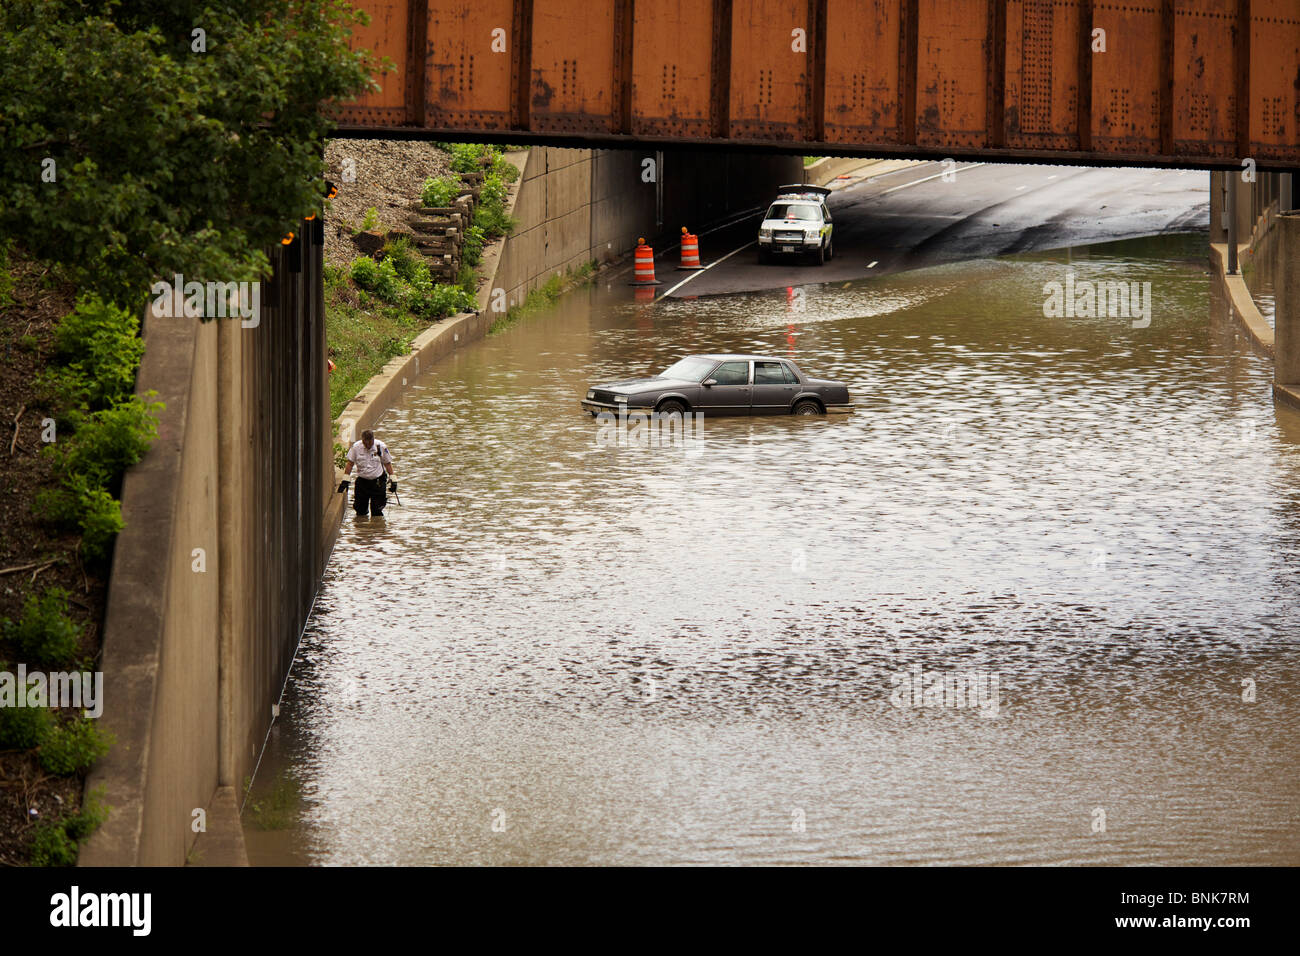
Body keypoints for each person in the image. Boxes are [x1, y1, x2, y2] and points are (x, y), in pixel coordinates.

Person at [340, 429, 396, 516]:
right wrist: (345, 480)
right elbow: (350, 464)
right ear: (362, 440)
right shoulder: (356, 447)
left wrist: (393, 479)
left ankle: (376, 528)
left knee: (377, 511)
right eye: (366, 444)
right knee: (360, 511)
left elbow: (387, 464)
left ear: (373, 439)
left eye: (370, 443)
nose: (368, 446)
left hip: (378, 482)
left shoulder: (381, 447)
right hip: (362, 482)